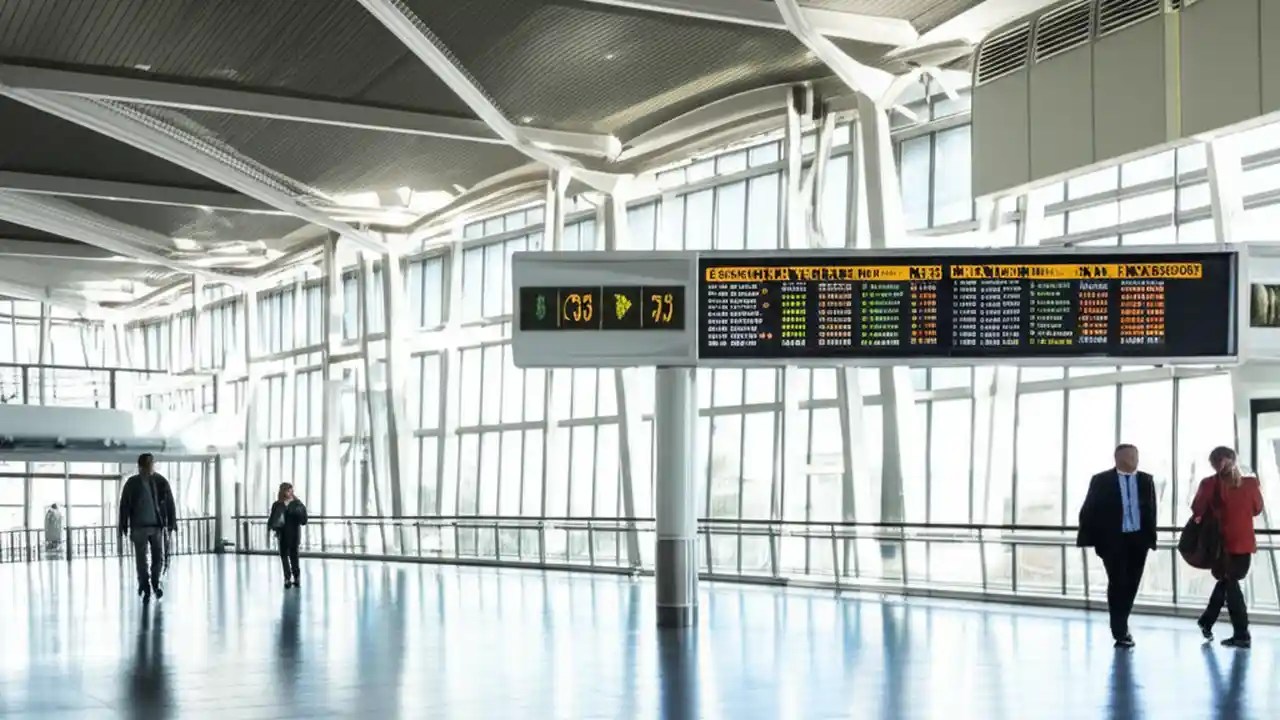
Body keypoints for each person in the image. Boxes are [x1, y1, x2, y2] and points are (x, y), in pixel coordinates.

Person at [1076, 443, 1156, 648]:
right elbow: (1089, 509)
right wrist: (1089, 539)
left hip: (1138, 541)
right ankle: (1119, 630)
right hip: (1113, 542)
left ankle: (1123, 622)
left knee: (1132, 584)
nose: (1135, 460)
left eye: (1136, 456)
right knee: (1118, 582)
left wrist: (1150, 539)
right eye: (1130, 456)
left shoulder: (1146, 480)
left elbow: (1151, 511)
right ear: (1118, 458)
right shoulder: (1102, 480)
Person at [1192, 446, 1264, 648]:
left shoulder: (1209, 484)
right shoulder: (1249, 483)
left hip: (1222, 545)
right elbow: (1257, 509)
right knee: (1230, 585)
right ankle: (1240, 633)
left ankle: (1209, 621)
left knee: (1228, 584)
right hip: (1239, 544)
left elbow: (1197, 509)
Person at [118, 453, 177, 602]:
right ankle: (145, 585)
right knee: (141, 560)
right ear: (140, 466)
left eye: (151, 463)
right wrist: (123, 524)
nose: (149, 467)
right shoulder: (132, 484)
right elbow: (124, 505)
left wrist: (171, 522)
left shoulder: (160, 482)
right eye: (147, 464)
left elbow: (169, 502)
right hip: (139, 527)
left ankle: (155, 582)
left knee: (158, 558)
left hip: (156, 526)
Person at [268, 483, 308, 588]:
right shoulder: (277, 504)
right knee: (284, 556)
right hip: (282, 534)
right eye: (288, 491)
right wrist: (272, 527)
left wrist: (293, 509)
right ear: (283, 491)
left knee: (294, 556)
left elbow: (304, 520)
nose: (290, 493)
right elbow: (272, 518)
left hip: (294, 534)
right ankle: (287, 578)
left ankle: (297, 577)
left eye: (291, 491)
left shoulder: (297, 504)